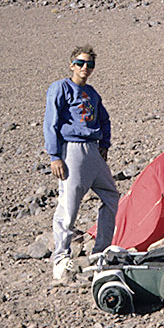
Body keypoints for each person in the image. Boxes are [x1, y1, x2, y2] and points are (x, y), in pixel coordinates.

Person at [43, 46, 120, 282]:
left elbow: (104, 118)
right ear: (71, 64)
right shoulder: (61, 88)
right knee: (69, 205)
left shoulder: (92, 93)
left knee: (111, 196)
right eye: (80, 63)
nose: (85, 67)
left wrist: (105, 144)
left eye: (90, 64)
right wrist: (55, 155)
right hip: (72, 149)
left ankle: (101, 252)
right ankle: (61, 257)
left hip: (93, 150)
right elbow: (51, 121)